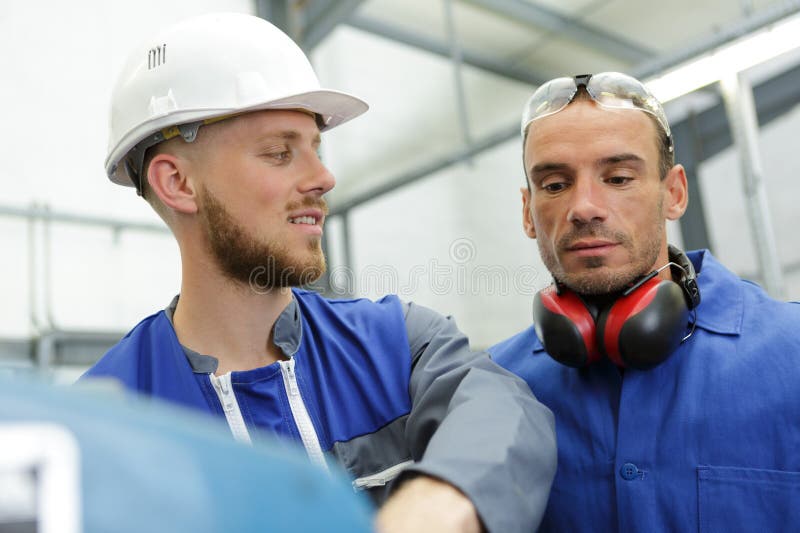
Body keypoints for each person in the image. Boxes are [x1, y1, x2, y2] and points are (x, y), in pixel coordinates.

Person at [80, 12, 557, 533]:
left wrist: (446, 495)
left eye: (317, 149)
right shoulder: (97, 420)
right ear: (178, 183)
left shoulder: (399, 344)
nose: (324, 178)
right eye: (280, 153)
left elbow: (504, 411)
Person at [489, 71, 800, 531]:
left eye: (617, 177)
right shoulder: (496, 387)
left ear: (674, 193)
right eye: (555, 185)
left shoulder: (791, 353)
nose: (585, 207)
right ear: (527, 212)